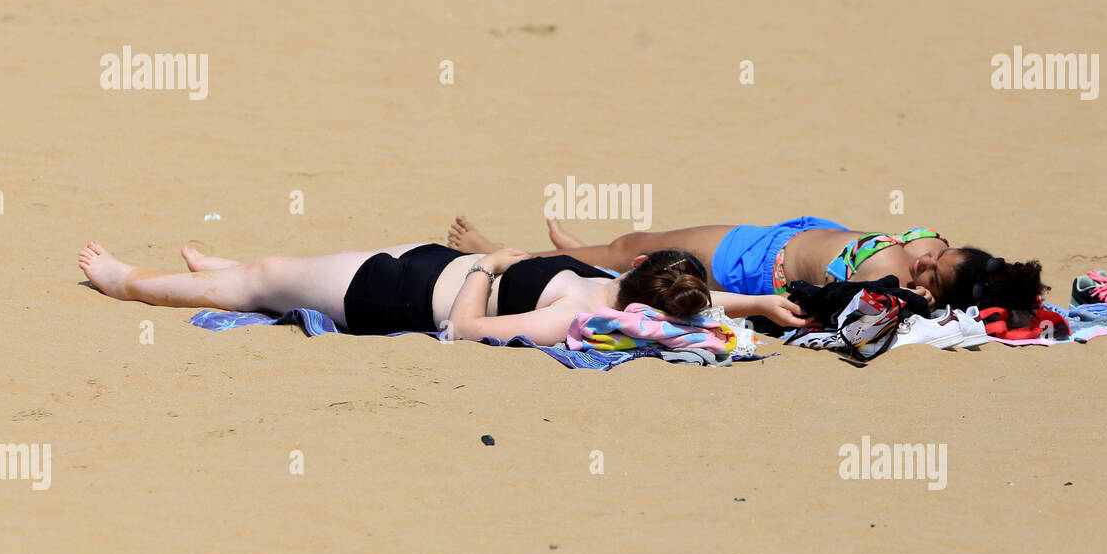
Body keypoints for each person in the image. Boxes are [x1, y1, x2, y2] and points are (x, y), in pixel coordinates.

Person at [77, 239, 811, 347]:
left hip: (395, 297)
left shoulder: (581, 309)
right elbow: (703, 303)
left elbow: (467, 333)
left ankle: (126, 283)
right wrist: (756, 306)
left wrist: (488, 268)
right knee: (266, 272)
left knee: (263, 280)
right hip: (419, 265)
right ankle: (232, 272)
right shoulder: (623, 291)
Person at [447, 214, 1047, 311]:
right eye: (937, 254)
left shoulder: (891, 283)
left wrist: (917, 295)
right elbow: (925, 238)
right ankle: (566, 249)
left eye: (935, 271)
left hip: (752, 265)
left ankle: (496, 256)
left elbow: (855, 309)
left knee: (634, 255)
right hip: (781, 236)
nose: (925, 259)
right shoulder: (923, 253)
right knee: (633, 245)